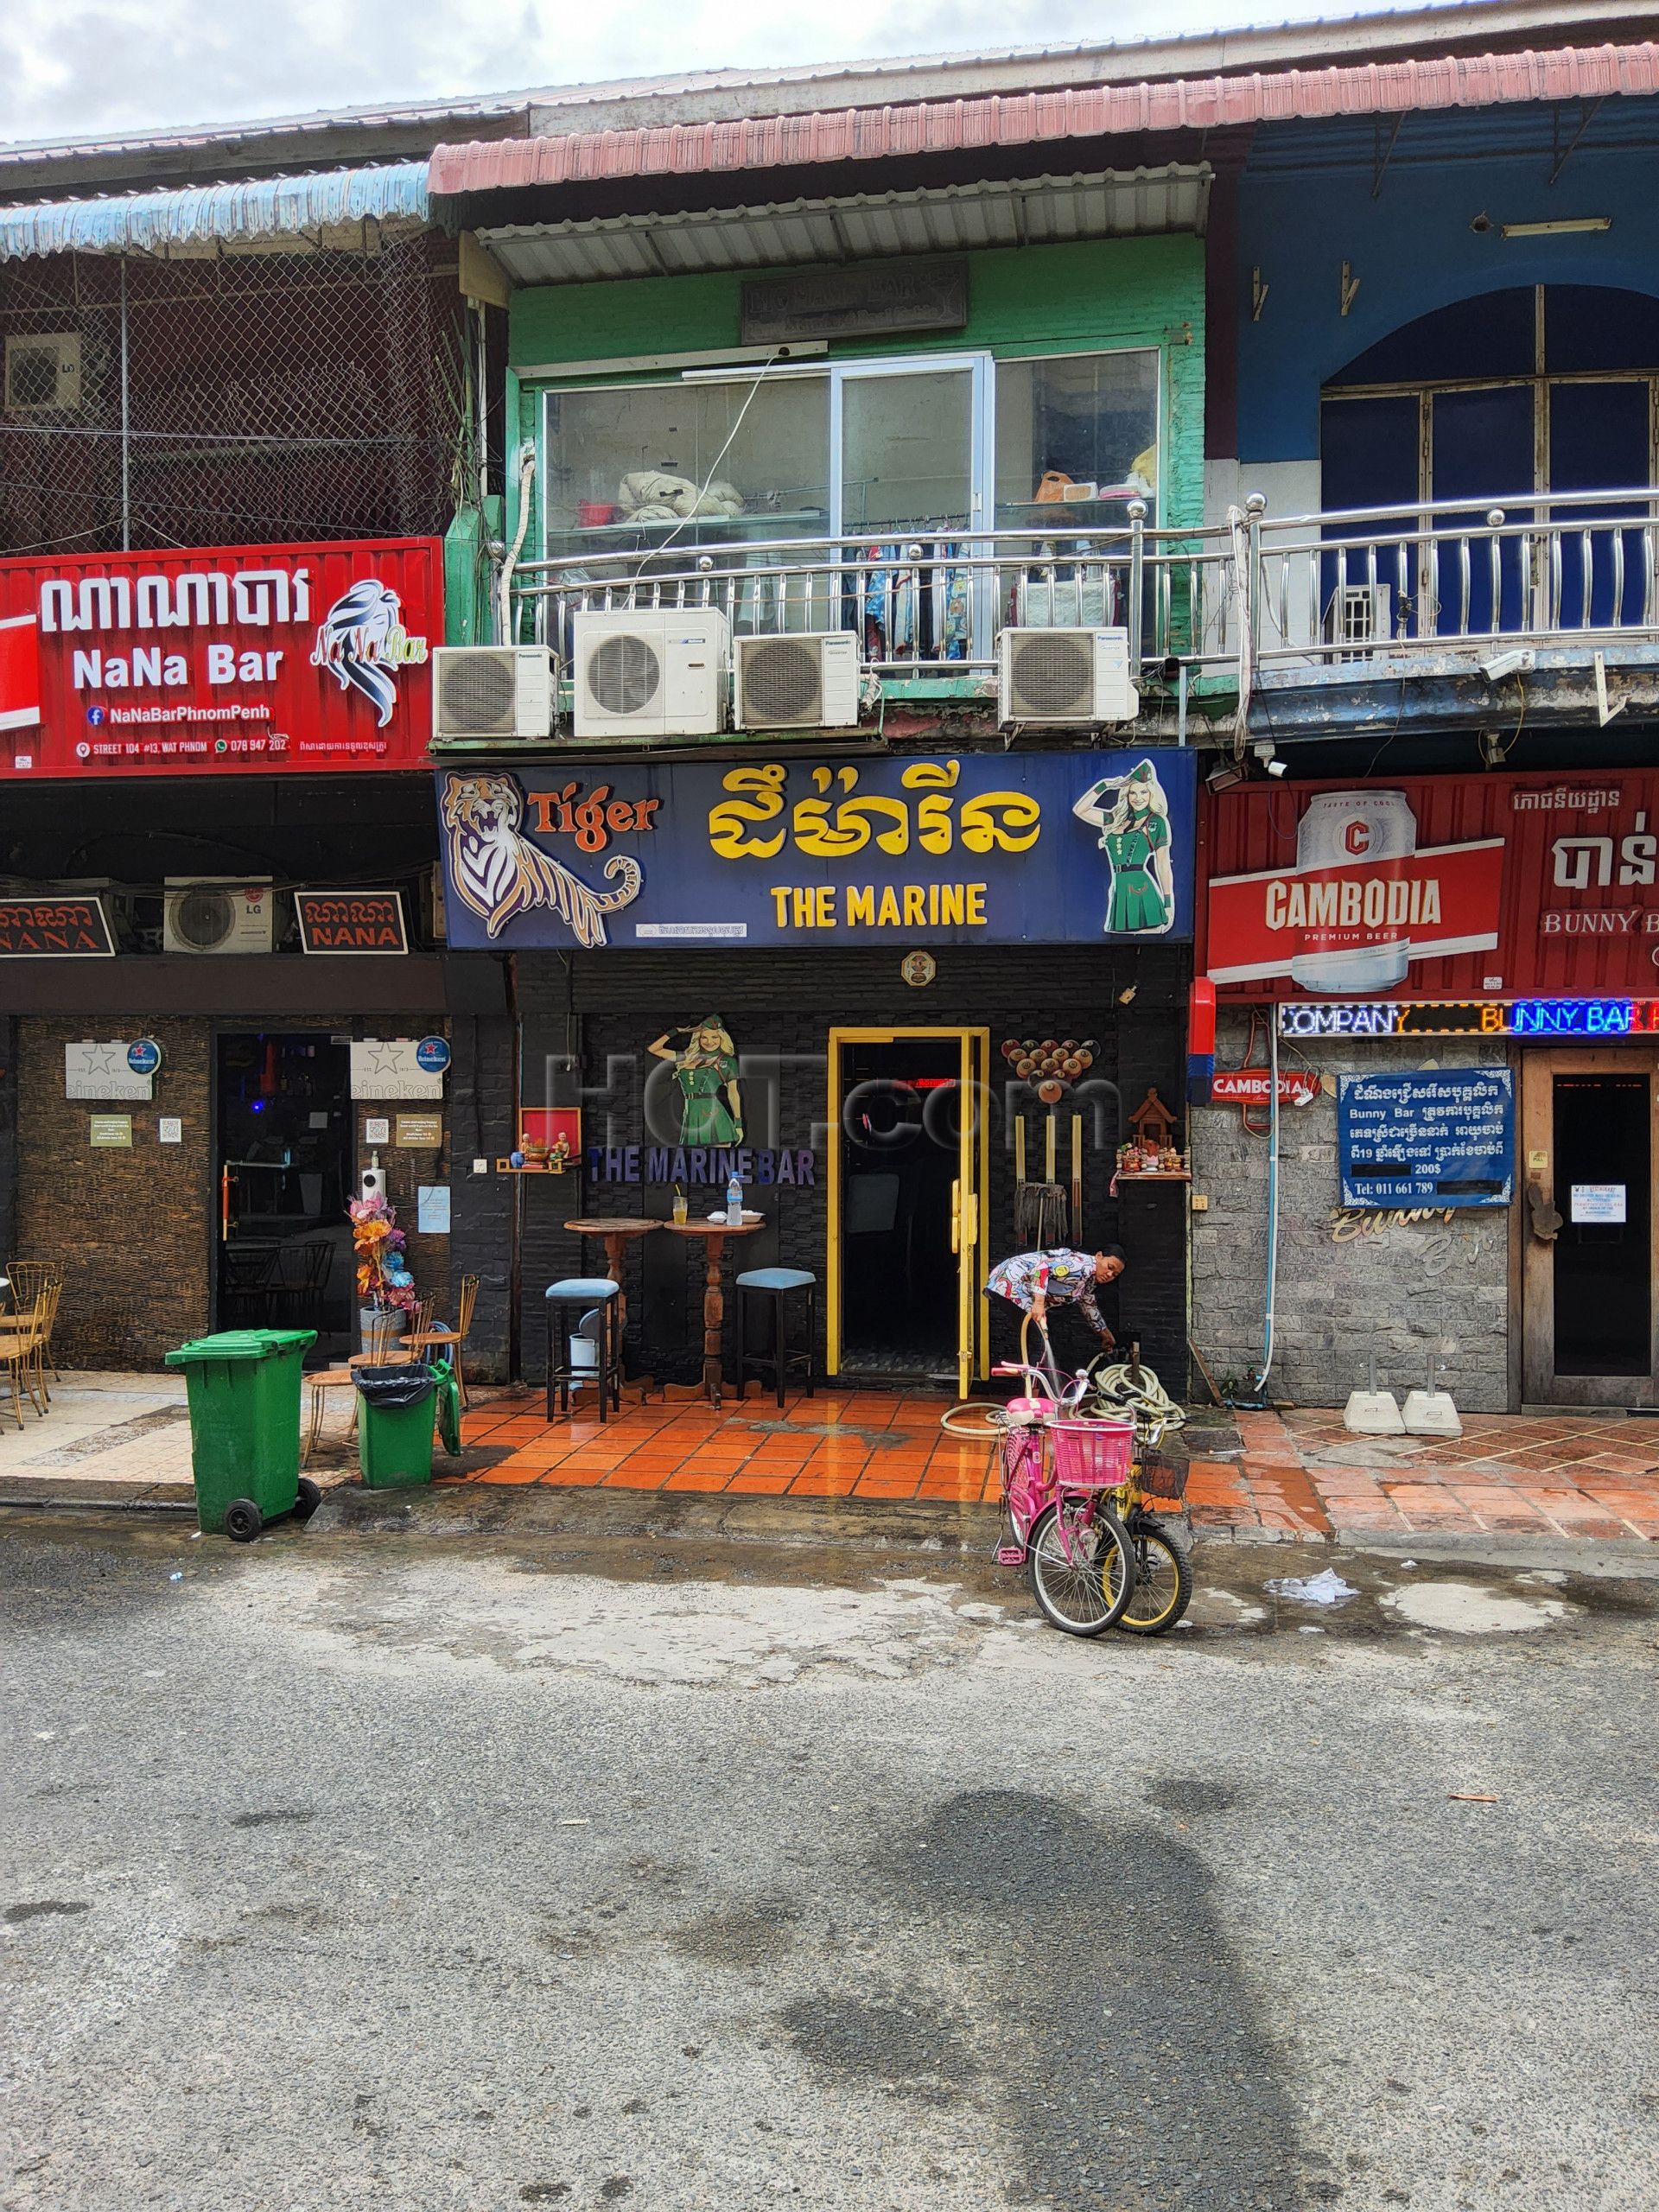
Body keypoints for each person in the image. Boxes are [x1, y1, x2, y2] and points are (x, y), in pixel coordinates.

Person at [1071, 760, 1176, 935]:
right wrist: (1105, 785)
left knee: (1146, 938)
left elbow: (1163, 864)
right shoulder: (1117, 819)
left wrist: (1168, 903)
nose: (1138, 798)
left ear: (1151, 793)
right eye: (1133, 793)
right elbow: (1080, 810)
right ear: (1126, 795)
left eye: (1144, 792)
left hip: (1142, 891)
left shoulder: (1156, 822)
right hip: (1118, 890)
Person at [984, 1245, 1126, 1350]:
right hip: (1012, 1282)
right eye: (1110, 1267)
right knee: (1039, 1342)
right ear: (1099, 1256)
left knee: (1040, 1340)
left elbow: (1088, 1305)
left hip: (1013, 1287)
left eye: (1114, 1275)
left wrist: (1105, 1334)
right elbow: (1043, 1268)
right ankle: (1033, 1381)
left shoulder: (1088, 1280)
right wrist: (1039, 1303)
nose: (1109, 1275)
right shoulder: (1082, 1265)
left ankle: (1037, 1379)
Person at [647, 1018, 743, 1145]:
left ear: (722, 1039)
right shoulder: (686, 1057)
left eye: (714, 1037)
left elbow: (733, 1093)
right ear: (698, 1038)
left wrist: (738, 1124)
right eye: (704, 1037)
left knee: (720, 1157)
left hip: (715, 1116)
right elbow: (653, 1049)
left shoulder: (726, 1061)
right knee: (693, 1156)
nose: (709, 1042)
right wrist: (677, 1031)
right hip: (690, 1116)